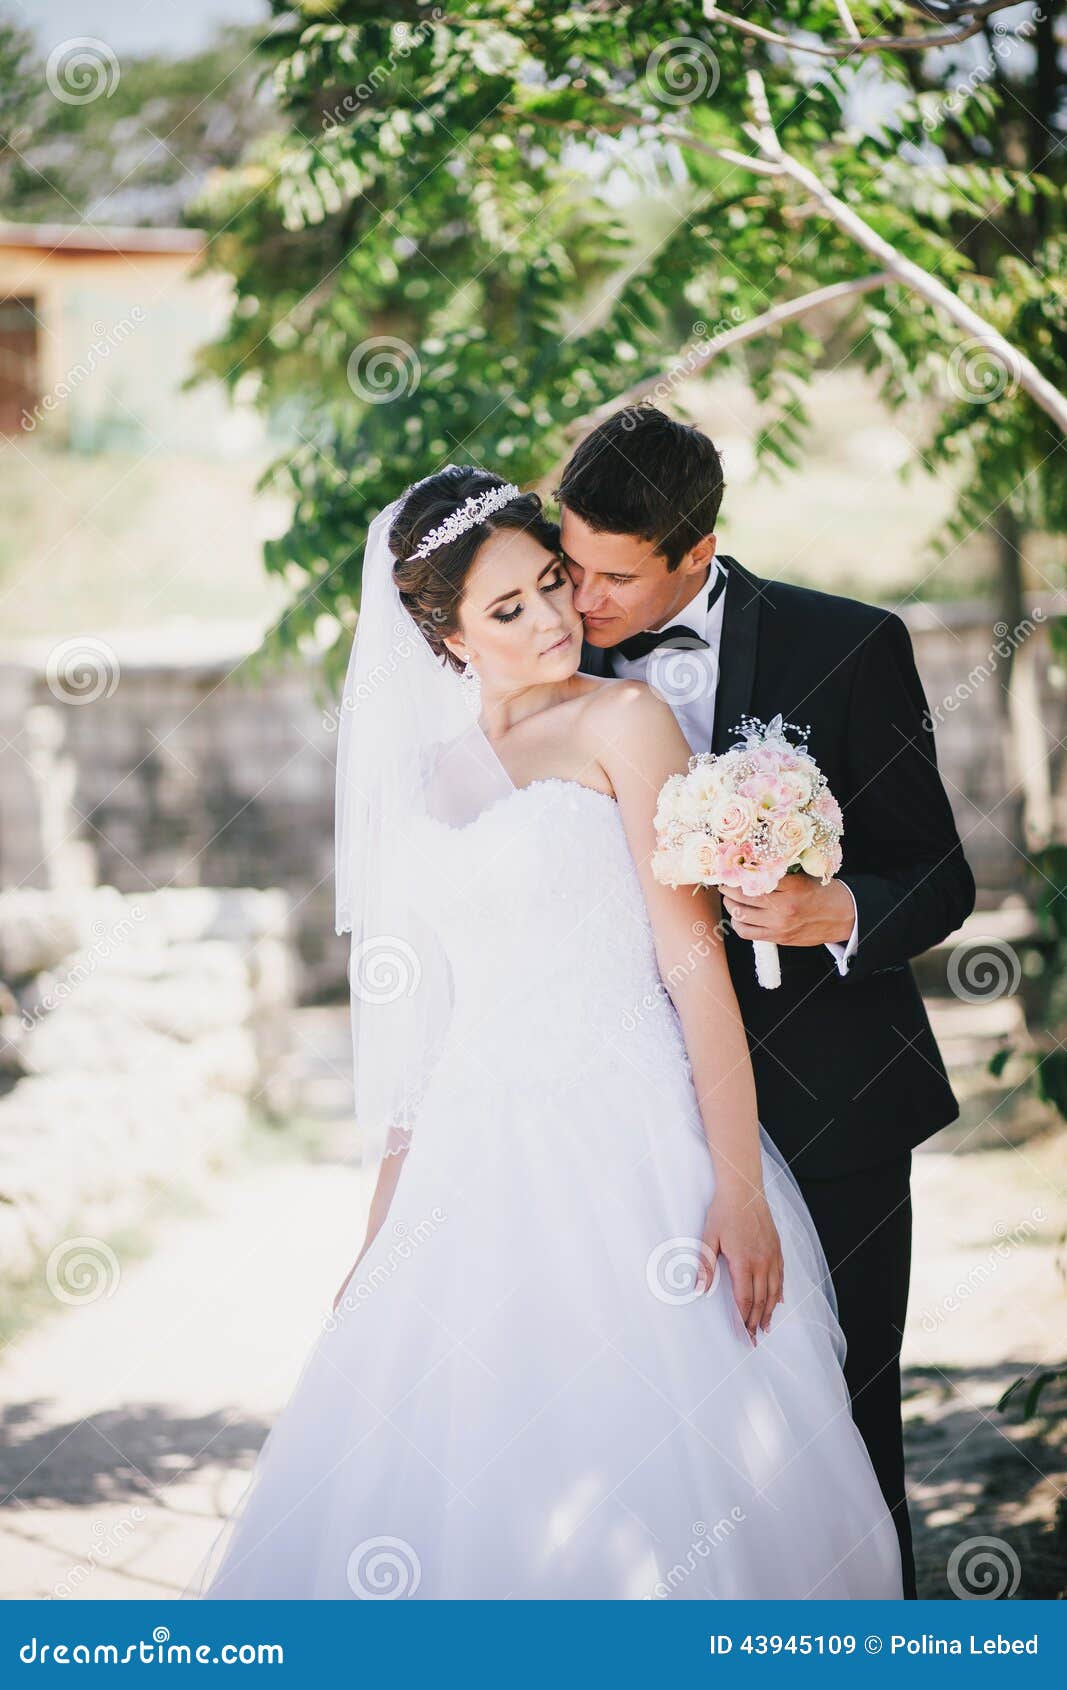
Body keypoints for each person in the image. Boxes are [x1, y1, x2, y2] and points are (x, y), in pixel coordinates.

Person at [185, 465, 903, 1601]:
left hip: (631, 1128)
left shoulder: (623, 719)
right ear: (445, 636)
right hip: (471, 1146)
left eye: (552, 585)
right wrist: (376, 1241)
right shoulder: (418, 781)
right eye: (506, 610)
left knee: (670, 1450)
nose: (554, 620)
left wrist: (736, 1184)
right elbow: (427, 1032)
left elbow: (689, 962)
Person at [559, 406, 977, 1599]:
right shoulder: (544, 661)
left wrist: (830, 910)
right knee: (647, 1437)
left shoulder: (845, 645)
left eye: (611, 577)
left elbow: (936, 874)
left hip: (831, 1101)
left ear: (696, 552)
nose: (579, 602)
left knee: (845, 1421)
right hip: (629, 1113)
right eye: (569, 564)